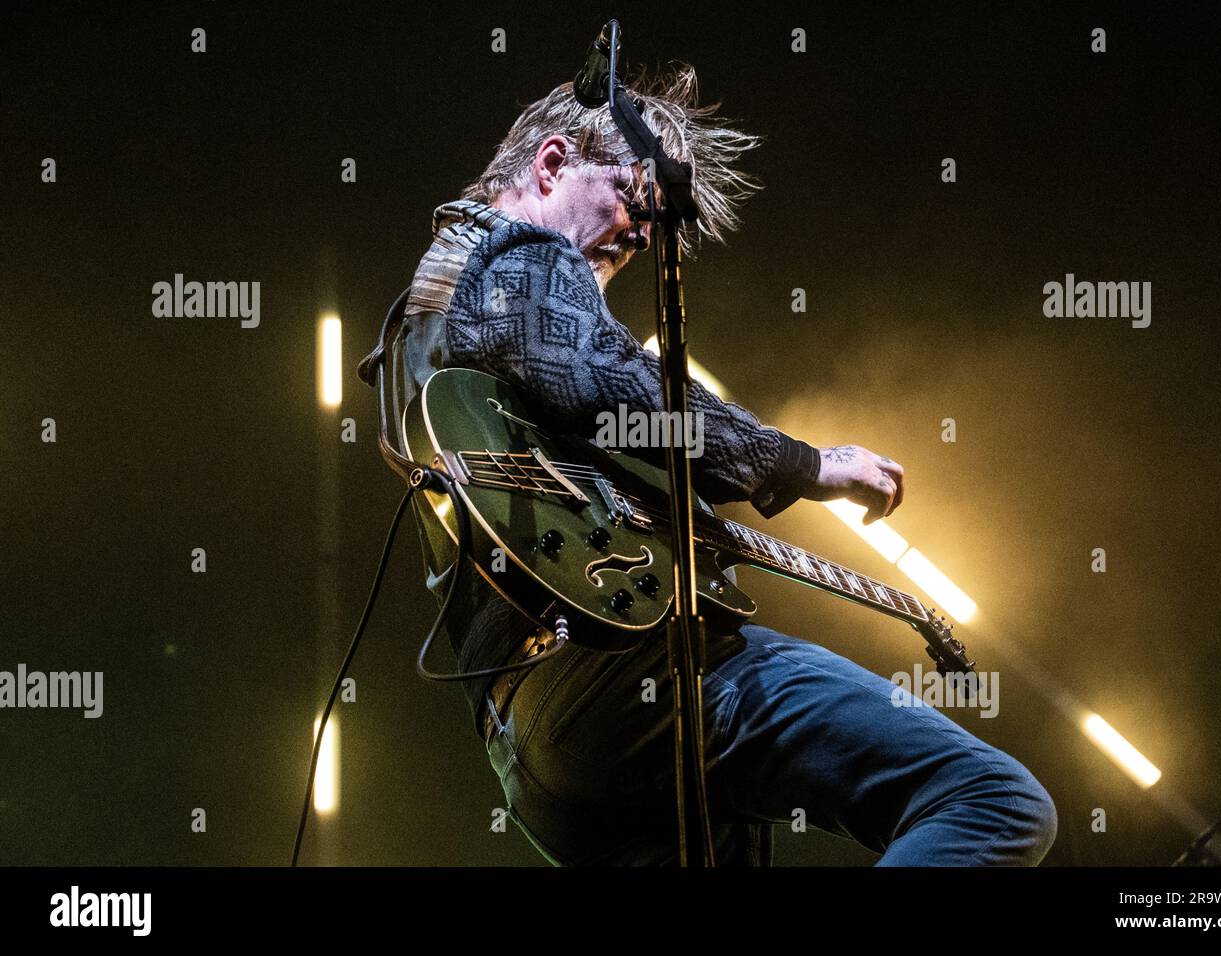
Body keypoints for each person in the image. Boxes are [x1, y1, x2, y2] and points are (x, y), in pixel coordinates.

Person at [393, 64, 1057, 865]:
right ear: (552, 163)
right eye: (636, 202)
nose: (642, 235)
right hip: (623, 669)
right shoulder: (515, 257)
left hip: (536, 742)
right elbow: (617, 388)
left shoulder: (422, 324)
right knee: (989, 801)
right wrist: (809, 465)